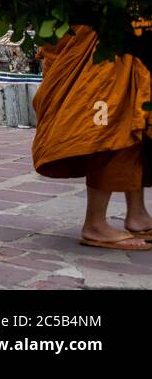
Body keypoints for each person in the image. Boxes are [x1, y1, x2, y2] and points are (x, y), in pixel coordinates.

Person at [32, 25, 152, 250]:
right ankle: (95, 223)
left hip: (128, 20)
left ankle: (138, 215)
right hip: (98, 26)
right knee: (109, 119)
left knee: (134, 108)